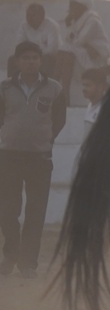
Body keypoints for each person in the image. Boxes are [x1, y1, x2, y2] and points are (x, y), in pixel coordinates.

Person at [0, 42, 65, 278]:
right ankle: (10, 254)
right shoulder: (4, 88)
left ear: (41, 61)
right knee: (8, 209)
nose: (31, 62)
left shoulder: (54, 89)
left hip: (40, 158)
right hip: (8, 156)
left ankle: (28, 264)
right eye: (26, 58)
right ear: (17, 61)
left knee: (35, 211)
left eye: (35, 57)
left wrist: (46, 141)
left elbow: (59, 120)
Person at [60, 0, 110, 105]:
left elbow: (78, 41)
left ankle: (65, 94)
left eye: (73, 6)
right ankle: (61, 90)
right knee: (62, 54)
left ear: (81, 7)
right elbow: (69, 41)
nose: (70, 9)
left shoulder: (92, 21)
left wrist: (72, 32)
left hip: (97, 59)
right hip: (84, 54)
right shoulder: (76, 21)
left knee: (65, 54)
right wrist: (69, 26)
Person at [9, 3, 60, 80]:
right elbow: (19, 46)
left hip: (47, 57)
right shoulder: (24, 26)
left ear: (41, 16)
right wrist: (31, 54)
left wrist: (34, 54)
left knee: (46, 60)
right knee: (12, 60)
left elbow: (52, 50)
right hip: (29, 55)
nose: (29, 18)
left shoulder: (52, 26)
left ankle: (45, 88)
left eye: (32, 15)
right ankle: (11, 88)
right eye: (27, 15)